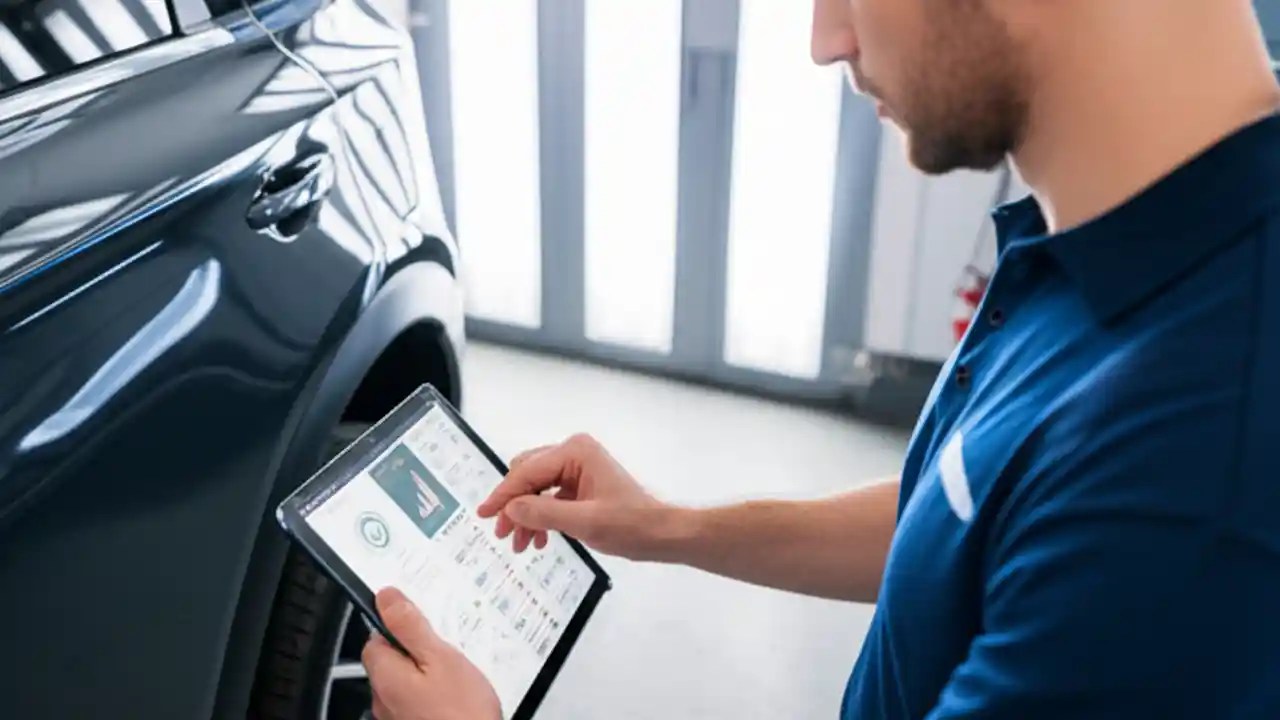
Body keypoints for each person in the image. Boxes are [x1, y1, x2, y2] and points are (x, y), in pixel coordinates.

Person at [361, 0, 1280, 717]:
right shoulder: (1117, 240)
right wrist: (667, 526)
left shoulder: (1191, 481)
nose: (826, 39)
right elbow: (967, 518)